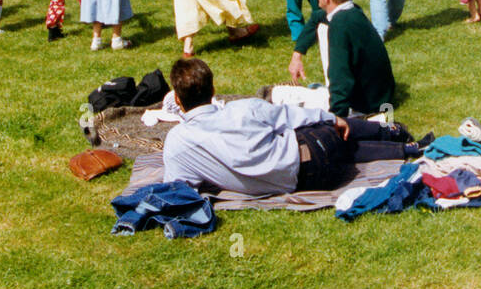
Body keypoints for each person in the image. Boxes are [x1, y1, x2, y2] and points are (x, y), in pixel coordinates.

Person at [160, 57, 422, 194]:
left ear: (179, 102)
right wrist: (332, 117)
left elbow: (180, 187)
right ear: (213, 89)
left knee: (336, 146)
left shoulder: (177, 142)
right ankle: (391, 131)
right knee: (325, 130)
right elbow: (291, 116)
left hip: (308, 180)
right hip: (316, 151)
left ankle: (406, 150)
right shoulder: (244, 108)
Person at [286, 0, 397, 118]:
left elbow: (340, 75)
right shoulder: (353, 11)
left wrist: (337, 118)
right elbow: (317, 17)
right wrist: (297, 54)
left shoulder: (339, 26)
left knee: (286, 99)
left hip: (365, 105)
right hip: (382, 97)